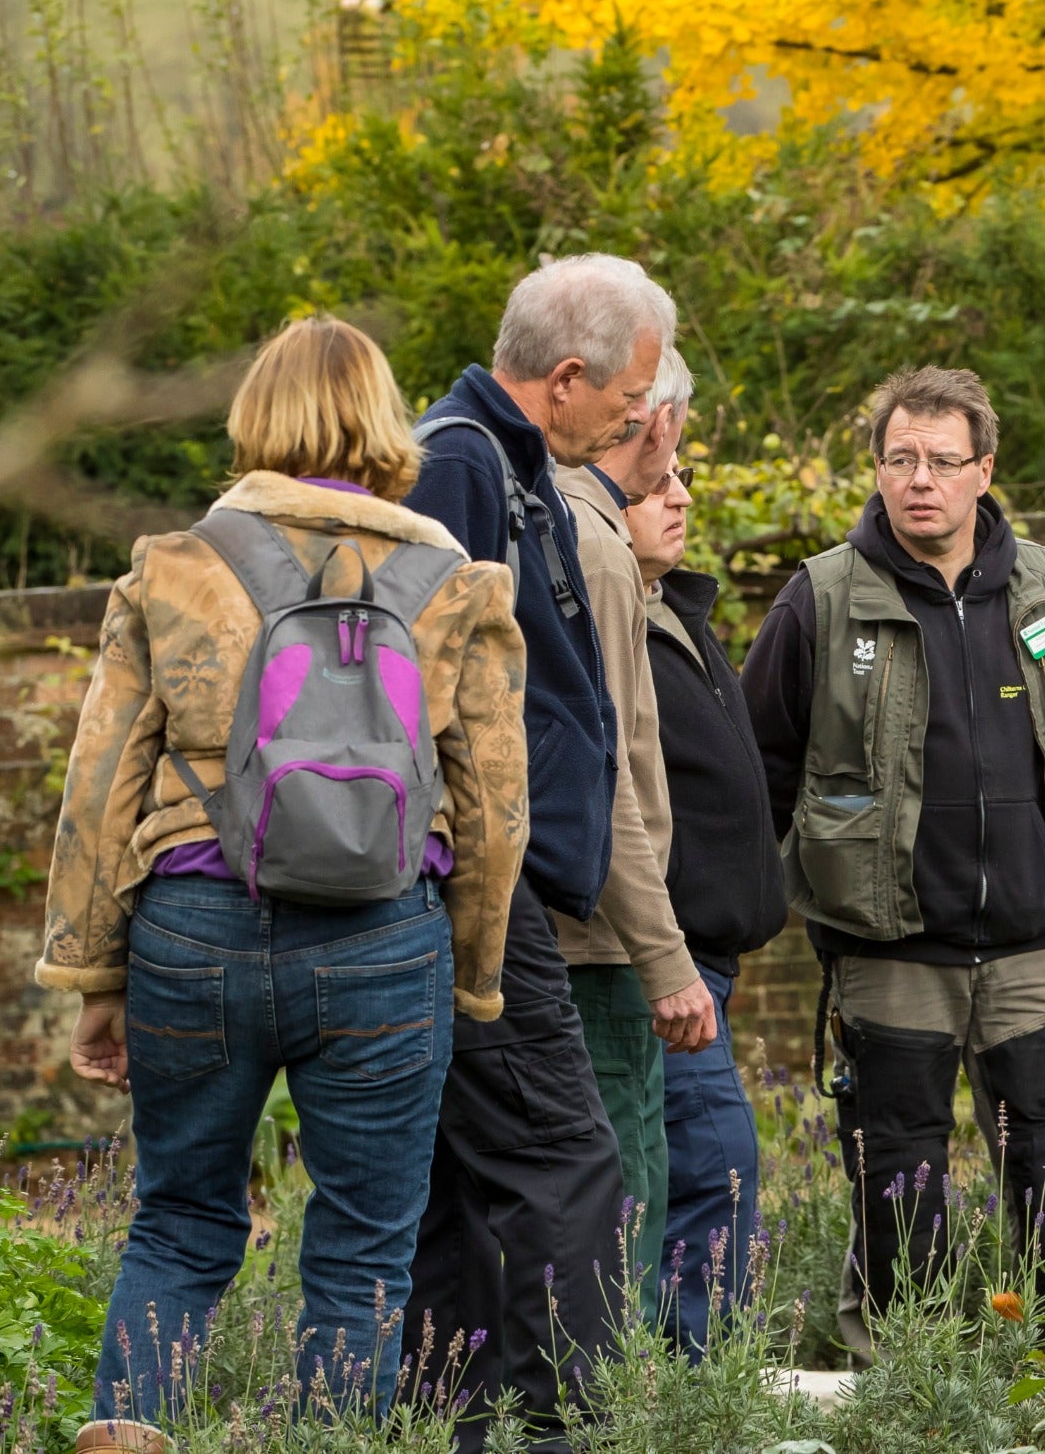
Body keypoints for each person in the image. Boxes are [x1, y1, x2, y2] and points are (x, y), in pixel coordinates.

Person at [40, 316, 527, 1442]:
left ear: (255, 415)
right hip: (382, 942)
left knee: (175, 1226)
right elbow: (498, 808)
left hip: (193, 928)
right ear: (385, 422)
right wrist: (472, 978)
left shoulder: (171, 566)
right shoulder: (457, 585)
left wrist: (93, 973)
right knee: (362, 1255)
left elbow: (100, 786)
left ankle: (127, 1432)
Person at [740, 365, 1045, 1358]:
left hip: (1028, 938)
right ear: (877, 468)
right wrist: (804, 884)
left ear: (983, 469)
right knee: (900, 1170)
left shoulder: (1039, 580)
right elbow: (757, 766)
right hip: (893, 942)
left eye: (941, 462)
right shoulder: (820, 596)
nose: (918, 481)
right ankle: (902, 1370)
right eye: (898, 460)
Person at [401, 254, 681, 1453]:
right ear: (564, 378)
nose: (639, 417)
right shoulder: (463, 461)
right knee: (571, 1158)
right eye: (629, 393)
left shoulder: (518, 466)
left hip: (507, 881)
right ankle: (558, 1423)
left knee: (475, 1178)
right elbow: (438, 678)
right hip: (487, 892)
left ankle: (452, 1417)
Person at [552, 348, 720, 1308]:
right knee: (628, 1188)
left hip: (610, 931)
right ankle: (617, 1403)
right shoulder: (596, 546)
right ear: (653, 423)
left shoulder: (577, 533)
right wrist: (662, 956)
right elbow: (605, 770)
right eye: (679, 435)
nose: (678, 467)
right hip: (601, 940)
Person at [625, 435, 787, 1355]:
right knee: (709, 1175)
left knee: (701, 1173)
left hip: (703, 965)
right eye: (658, 484)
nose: (679, 498)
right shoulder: (618, 620)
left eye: (683, 479)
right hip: (664, 968)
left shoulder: (673, 609)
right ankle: (690, 1393)